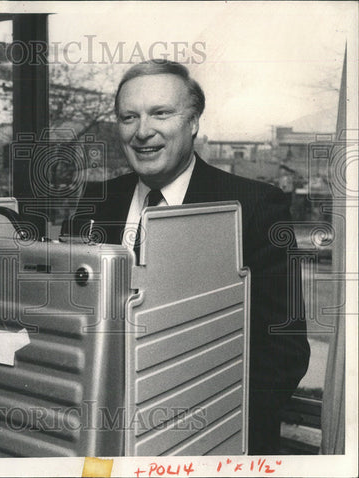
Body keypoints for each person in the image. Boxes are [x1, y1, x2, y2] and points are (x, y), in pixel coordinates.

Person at [73, 60, 310, 454]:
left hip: (208, 441)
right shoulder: (96, 202)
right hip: (107, 439)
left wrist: (203, 432)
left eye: (161, 113)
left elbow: (283, 354)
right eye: (128, 117)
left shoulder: (255, 207)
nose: (142, 131)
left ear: (194, 122)